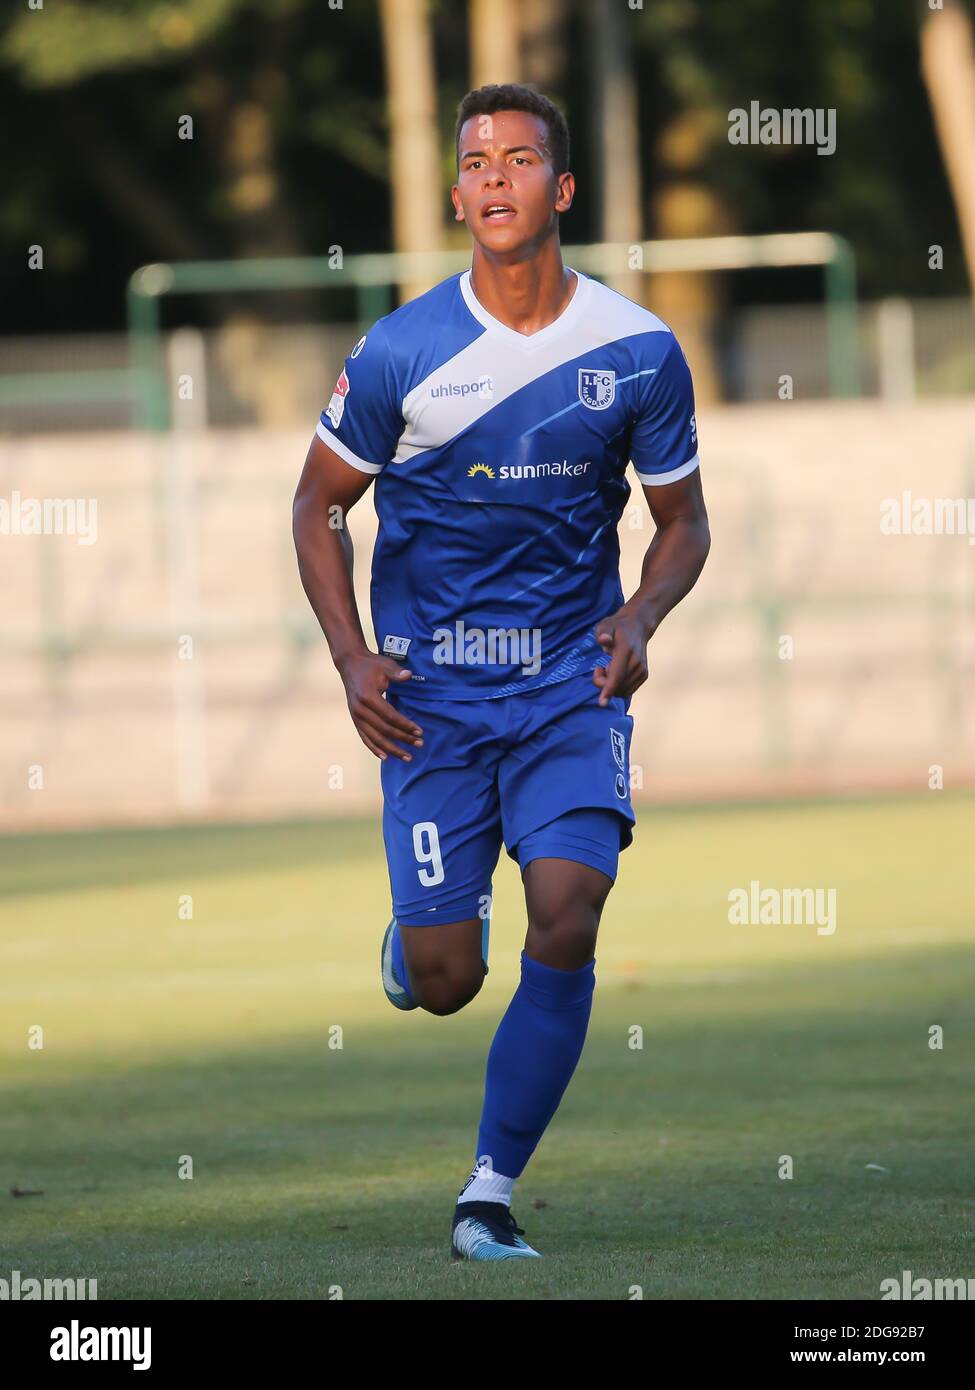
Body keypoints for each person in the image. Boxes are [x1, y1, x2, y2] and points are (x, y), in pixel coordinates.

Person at [292, 82, 711, 1261]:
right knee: (445, 981)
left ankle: (487, 1192)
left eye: (518, 159)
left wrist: (638, 619)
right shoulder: (400, 350)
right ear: (458, 188)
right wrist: (350, 658)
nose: (491, 178)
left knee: (570, 911)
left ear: (560, 190)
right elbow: (318, 508)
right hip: (433, 702)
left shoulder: (635, 350)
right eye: (473, 160)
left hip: (570, 687)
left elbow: (684, 524)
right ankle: (417, 944)